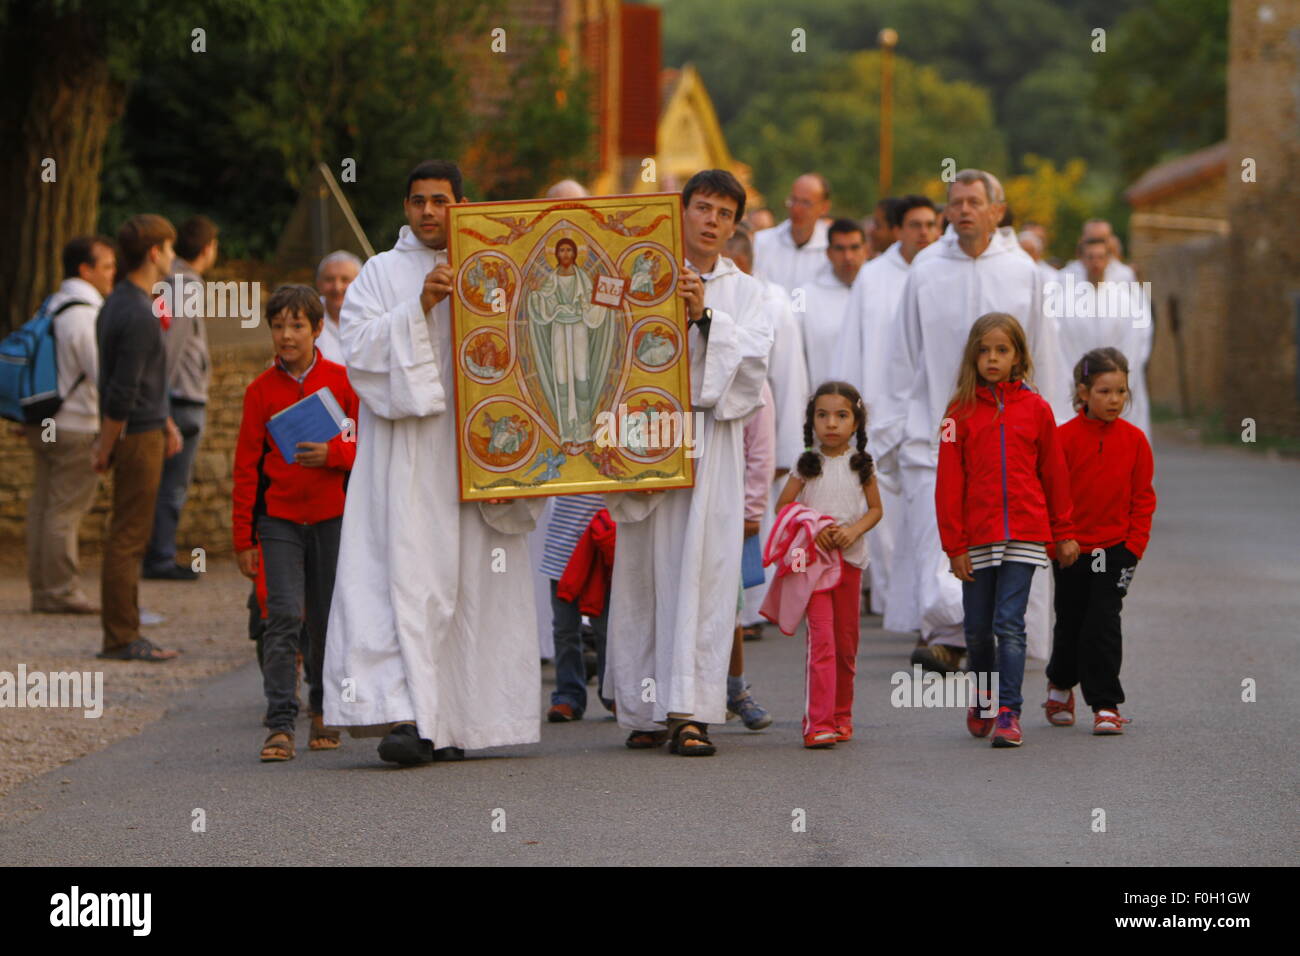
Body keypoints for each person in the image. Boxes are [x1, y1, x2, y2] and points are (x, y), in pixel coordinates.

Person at [322, 159, 544, 765]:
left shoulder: (496, 267)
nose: (427, 212)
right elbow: (357, 351)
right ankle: (412, 718)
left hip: (477, 453)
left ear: (460, 205)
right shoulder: (380, 274)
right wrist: (416, 309)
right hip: (408, 457)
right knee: (410, 582)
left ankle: (460, 722)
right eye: (417, 200)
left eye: (439, 201)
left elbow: (531, 346)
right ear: (405, 206)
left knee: (474, 587)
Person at [604, 168, 772, 757]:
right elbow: (606, 343)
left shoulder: (747, 291)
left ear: (733, 225)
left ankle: (691, 711)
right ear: (682, 211)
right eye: (702, 208)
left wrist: (706, 318)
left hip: (708, 448)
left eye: (724, 214)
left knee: (701, 575)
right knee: (646, 574)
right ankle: (646, 707)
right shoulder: (640, 273)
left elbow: (751, 373)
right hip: (647, 439)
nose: (711, 222)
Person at [875, 170, 1070, 674]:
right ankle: (945, 639)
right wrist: (890, 431)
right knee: (940, 541)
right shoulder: (925, 270)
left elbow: (1044, 354)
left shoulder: (1021, 272)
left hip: (1010, 439)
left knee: (1008, 542)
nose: (962, 210)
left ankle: (1003, 641)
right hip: (934, 432)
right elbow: (902, 356)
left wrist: (1053, 431)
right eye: (955, 202)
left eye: (973, 202)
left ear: (997, 212)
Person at [935, 313, 1077, 748]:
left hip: (1025, 533)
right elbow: (948, 482)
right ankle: (984, 696)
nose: (992, 358)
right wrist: (954, 545)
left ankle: (1008, 711)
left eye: (1002, 350)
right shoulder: (957, 413)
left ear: (1018, 357)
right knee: (977, 629)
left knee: (1009, 624)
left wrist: (1063, 530)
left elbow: (1053, 473)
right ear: (972, 356)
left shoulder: (1037, 410)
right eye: (984, 350)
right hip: (976, 537)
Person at [232, 284, 359, 761]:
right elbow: (246, 468)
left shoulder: (343, 383)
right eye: (278, 326)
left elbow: (362, 445)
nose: (286, 336)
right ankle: (280, 721)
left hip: (331, 517)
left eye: (296, 326)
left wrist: (333, 453)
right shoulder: (259, 391)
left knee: (326, 620)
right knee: (281, 616)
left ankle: (324, 711)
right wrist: (243, 537)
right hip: (279, 521)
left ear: (319, 328)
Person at [836, 195, 938, 622]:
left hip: (933, 414)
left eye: (932, 225)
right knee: (888, 518)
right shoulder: (873, 277)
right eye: (915, 225)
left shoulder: (943, 273)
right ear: (898, 230)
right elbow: (852, 346)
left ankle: (933, 610)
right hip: (882, 412)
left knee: (930, 518)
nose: (925, 233)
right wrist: (847, 411)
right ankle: (898, 607)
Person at [1044, 347, 1156, 735]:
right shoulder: (1061, 439)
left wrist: (1133, 548)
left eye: (1121, 392)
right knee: (1070, 621)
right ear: (1083, 392)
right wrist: (1059, 540)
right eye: (1105, 391)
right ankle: (1059, 684)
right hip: (1072, 549)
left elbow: (1143, 498)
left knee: (1103, 623)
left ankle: (1105, 704)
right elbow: (1050, 495)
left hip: (1115, 550)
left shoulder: (1136, 440)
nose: (1115, 400)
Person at [93, 214, 184, 662]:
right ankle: (122, 636)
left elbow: (136, 379)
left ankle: (123, 631)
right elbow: (121, 391)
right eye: (168, 248)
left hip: (144, 429)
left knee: (127, 534)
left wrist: (164, 420)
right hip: (135, 437)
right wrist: (105, 446)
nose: (172, 257)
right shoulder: (139, 312)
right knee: (129, 538)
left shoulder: (118, 302)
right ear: (153, 253)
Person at [772, 382, 883, 747]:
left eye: (841, 415)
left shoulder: (862, 464)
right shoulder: (807, 466)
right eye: (822, 415)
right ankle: (817, 722)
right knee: (822, 641)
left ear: (856, 422)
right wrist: (812, 526)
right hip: (814, 565)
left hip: (850, 561)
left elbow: (876, 509)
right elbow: (783, 507)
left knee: (846, 643)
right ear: (811, 422)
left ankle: (841, 715)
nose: (831, 424)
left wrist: (853, 531)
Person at [725, 227, 810, 640]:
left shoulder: (772, 304)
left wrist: (787, 453)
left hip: (761, 429)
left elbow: (788, 378)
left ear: (745, 263)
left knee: (756, 519)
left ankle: (755, 611)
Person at [25, 236, 114, 614]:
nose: (113, 274)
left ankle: (44, 589)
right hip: (74, 424)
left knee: (44, 506)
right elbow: (101, 374)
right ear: (85, 269)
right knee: (64, 511)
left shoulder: (52, 304)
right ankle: (60, 592)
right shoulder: (85, 315)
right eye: (107, 266)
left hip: (43, 421)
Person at [144, 215, 217, 581]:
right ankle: (159, 557)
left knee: (164, 483)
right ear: (208, 248)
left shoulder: (170, 283)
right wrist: (163, 404)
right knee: (172, 485)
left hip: (175, 398)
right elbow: (170, 349)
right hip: (181, 400)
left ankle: (157, 553)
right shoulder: (186, 286)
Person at [1054, 237, 1153, 436]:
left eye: (1100, 257)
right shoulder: (1065, 301)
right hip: (1079, 385)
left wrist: (1119, 381)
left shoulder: (1124, 300)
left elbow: (1134, 343)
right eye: (1090, 257)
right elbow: (1060, 345)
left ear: (1108, 260)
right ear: (1081, 260)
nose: (1096, 263)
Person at [728, 379, 777, 729]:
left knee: (731, 606)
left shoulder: (751, 370)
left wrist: (752, 507)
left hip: (731, 505)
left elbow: (761, 448)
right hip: (679, 501)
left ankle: (735, 688)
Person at [541, 494, 612, 722]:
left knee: (607, 630)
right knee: (564, 629)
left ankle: (612, 694)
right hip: (562, 550)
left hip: (601, 544)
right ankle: (568, 697)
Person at [800, 218, 868, 386]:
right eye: (840, 249)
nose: (848, 257)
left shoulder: (882, 289)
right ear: (828, 253)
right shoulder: (803, 294)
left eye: (854, 247)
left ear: (866, 249)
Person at [753, 172, 831, 293]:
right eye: (793, 200)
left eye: (806, 203)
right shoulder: (762, 242)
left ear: (824, 208)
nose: (796, 209)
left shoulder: (832, 248)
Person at [314, 250, 362, 364]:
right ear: (319, 284)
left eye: (345, 280)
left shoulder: (374, 317)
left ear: (361, 283)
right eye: (329, 280)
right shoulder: (307, 316)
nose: (337, 287)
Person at [1062, 220, 1136, 282]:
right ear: (1082, 240)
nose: (1097, 246)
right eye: (1092, 240)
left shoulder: (1125, 274)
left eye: (1101, 239)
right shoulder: (1065, 275)